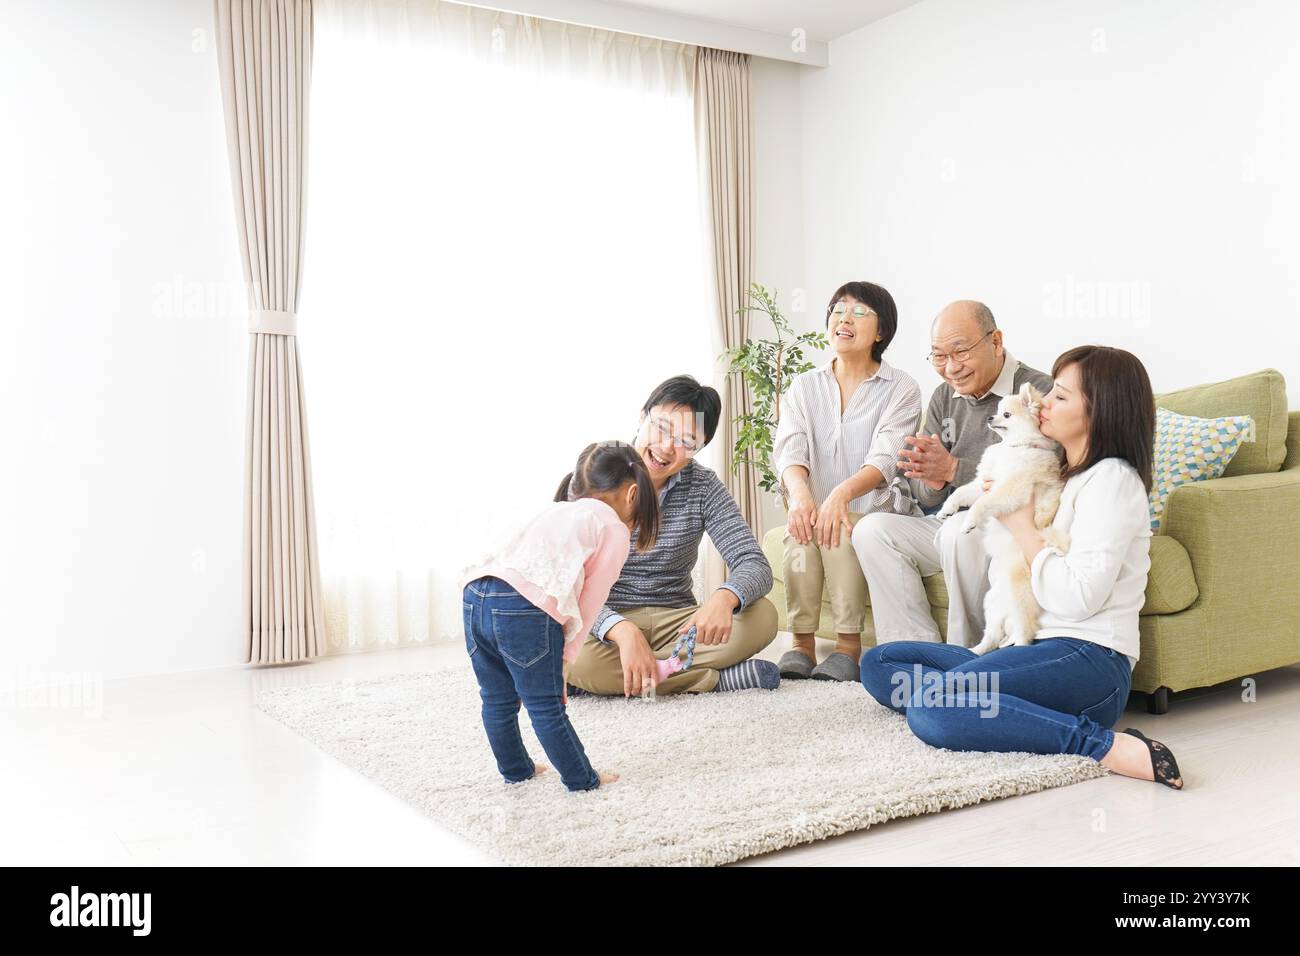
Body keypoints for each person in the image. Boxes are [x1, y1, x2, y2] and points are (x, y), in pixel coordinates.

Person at [859, 346, 1184, 789]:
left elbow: (1076, 599)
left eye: (1062, 397)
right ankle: (1000, 701)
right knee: (881, 663)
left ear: (1101, 411)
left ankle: (1106, 746)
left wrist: (1022, 524)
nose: (1044, 403)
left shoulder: (1113, 481)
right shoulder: (1058, 473)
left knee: (932, 707)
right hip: (1027, 647)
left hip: (1088, 659)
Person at [459, 441, 659, 792]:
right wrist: (564, 662)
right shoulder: (611, 528)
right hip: (522, 607)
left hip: (474, 594)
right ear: (632, 496)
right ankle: (582, 779)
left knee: (496, 697)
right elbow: (589, 603)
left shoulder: (553, 511)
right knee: (546, 704)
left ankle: (516, 769)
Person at [563, 376, 780, 697]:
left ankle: (614, 682)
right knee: (577, 657)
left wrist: (725, 597)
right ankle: (714, 680)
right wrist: (621, 631)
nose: (667, 448)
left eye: (687, 441)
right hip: (607, 621)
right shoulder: (599, 470)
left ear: (700, 448)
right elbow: (570, 581)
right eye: (662, 428)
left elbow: (754, 563)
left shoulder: (704, 486)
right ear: (642, 416)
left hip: (677, 623)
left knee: (764, 616)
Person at [853, 300, 1054, 646]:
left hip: (1007, 523)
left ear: (996, 342)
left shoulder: (1036, 393)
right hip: (951, 519)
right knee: (872, 529)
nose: (950, 368)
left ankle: (967, 656)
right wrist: (933, 481)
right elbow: (924, 494)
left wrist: (954, 469)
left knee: (958, 533)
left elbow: (1045, 467)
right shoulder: (945, 397)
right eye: (938, 356)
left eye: (960, 352)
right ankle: (914, 649)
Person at [771, 281, 922, 681]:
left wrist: (840, 495)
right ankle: (801, 643)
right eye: (838, 309)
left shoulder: (901, 387)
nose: (844, 318)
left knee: (838, 530)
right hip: (815, 508)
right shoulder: (805, 385)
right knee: (800, 533)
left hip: (873, 512)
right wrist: (801, 495)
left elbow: (886, 459)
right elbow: (790, 449)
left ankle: (847, 647)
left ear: (881, 331)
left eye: (859, 312)